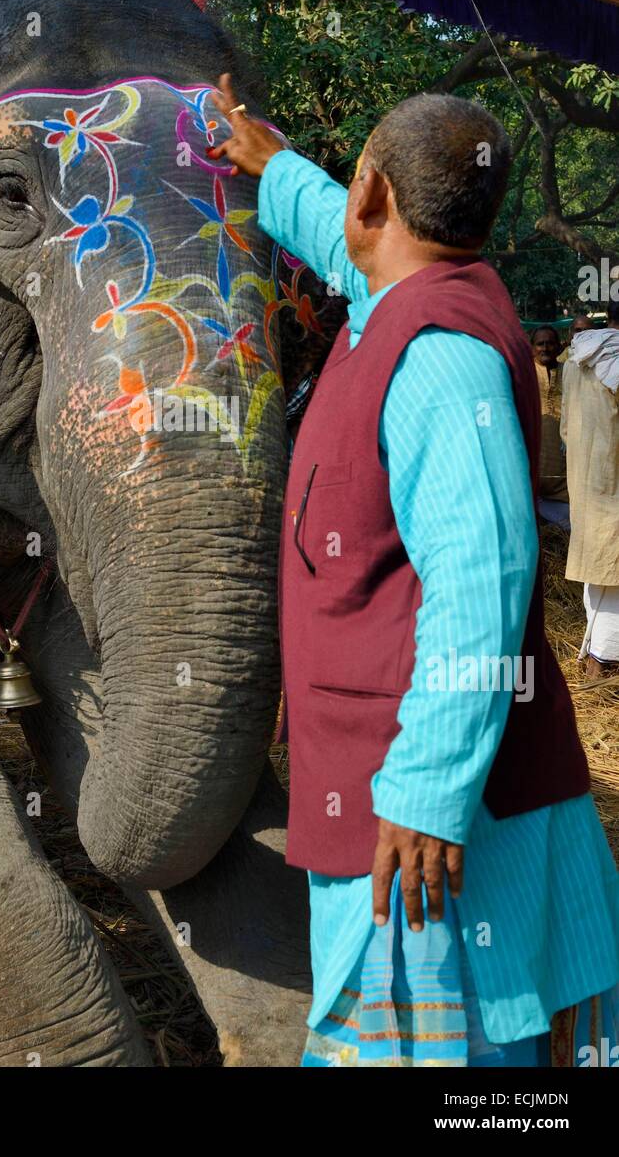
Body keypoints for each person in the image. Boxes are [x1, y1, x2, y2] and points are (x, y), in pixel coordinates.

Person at [208, 75, 619, 1068]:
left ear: (373, 193)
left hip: (426, 823)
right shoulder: (404, 292)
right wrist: (272, 163)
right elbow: (341, 240)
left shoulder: (439, 355)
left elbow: (484, 578)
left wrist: (429, 793)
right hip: (394, 791)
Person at [561, 298, 619, 681]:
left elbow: (566, 425)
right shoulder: (614, 358)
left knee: (599, 567)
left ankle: (597, 657)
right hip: (611, 479)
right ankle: (603, 662)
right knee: (612, 571)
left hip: (585, 479)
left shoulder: (574, 358)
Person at [529, 325, 570, 530]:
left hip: (564, 451)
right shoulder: (525, 373)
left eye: (550, 343)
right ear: (531, 348)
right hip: (536, 447)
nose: (545, 348)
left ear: (559, 347)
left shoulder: (570, 371)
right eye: (540, 344)